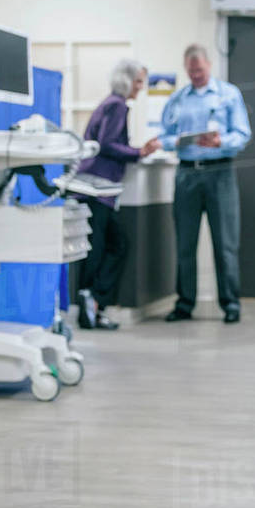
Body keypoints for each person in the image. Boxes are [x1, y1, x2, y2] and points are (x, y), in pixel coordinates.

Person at [151, 44, 251, 324]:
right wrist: (171, 141)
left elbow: (242, 134)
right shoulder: (178, 99)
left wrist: (221, 141)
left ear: (209, 65)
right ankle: (184, 304)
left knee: (225, 243)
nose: (195, 75)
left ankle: (230, 304)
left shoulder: (229, 94)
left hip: (220, 173)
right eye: (191, 71)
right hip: (186, 175)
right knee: (185, 243)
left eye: (199, 70)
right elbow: (164, 135)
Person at [74, 59, 159, 330]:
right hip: (97, 189)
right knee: (104, 247)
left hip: (98, 189)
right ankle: (91, 302)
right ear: (127, 80)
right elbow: (108, 144)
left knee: (112, 246)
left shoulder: (110, 104)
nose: (141, 87)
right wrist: (138, 152)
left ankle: (95, 304)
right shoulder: (117, 105)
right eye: (138, 81)